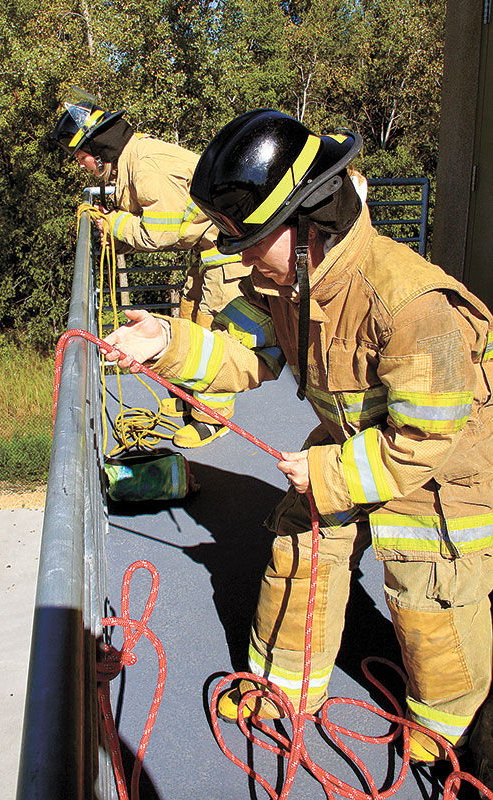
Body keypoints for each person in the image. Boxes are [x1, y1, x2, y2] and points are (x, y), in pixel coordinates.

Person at [101, 109, 493, 765]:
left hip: (442, 473)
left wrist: (333, 475)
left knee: (430, 596)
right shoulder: (286, 280)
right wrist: (165, 341)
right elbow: (240, 355)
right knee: (298, 548)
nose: (241, 254)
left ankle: (446, 726)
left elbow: (425, 441)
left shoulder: (417, 307)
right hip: (352, 442)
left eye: (250, 238)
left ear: (311, 221)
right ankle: (283, 694)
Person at [52, 88, 252, 447]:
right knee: (188, 316)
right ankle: (189, 395)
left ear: (100, 151)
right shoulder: (132, 161)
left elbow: (161, 231)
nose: (81, 165)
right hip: (207, 251)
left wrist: (114, 226)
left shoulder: (146, 165)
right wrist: (114, 225)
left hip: (230, 253)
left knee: (211, 331)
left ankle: (213, 417)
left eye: (82, 157)